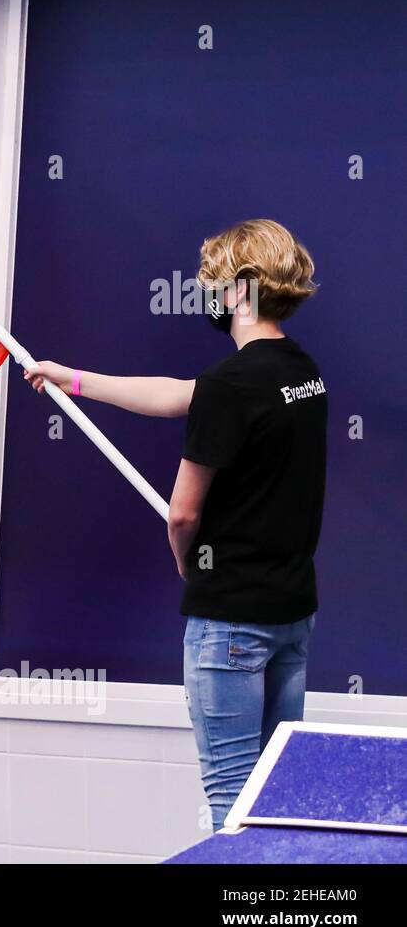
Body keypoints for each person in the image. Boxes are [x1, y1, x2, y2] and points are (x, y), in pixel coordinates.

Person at [24, 219, 325, 830]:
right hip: (291, 616)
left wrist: (188, 558)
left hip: (230, 625)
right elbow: (178, 393)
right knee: (273, 799)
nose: (209, 296)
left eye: (214, 283)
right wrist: (74, 381)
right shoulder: (301, 373)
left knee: (232, 801)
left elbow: (182, 511)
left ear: (241, 290)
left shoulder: (231, 383)